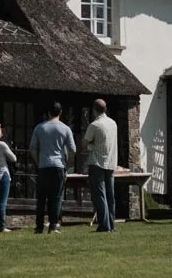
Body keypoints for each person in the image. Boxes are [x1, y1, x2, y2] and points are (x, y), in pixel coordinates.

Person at [29, 101, 76, 234]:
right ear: (60, 112)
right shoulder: (65, 129)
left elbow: (32, 148)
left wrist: (38, 162)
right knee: (56, 197)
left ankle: (39, 226)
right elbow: (72, 149)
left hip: (44, 165)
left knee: (41, 197)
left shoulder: (39, 128)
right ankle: (53, 225)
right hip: (58, 165)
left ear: (48, 113)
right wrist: (68, 164)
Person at [83, 98, 119, 232]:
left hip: (97, 162)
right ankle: (111, 224)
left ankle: (104, 225)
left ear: (94, 110)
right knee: (110, 195)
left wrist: (91, 146)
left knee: (99, 195)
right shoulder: (113, 123)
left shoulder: (94, 125)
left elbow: (84, 143)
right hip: (110, 162)